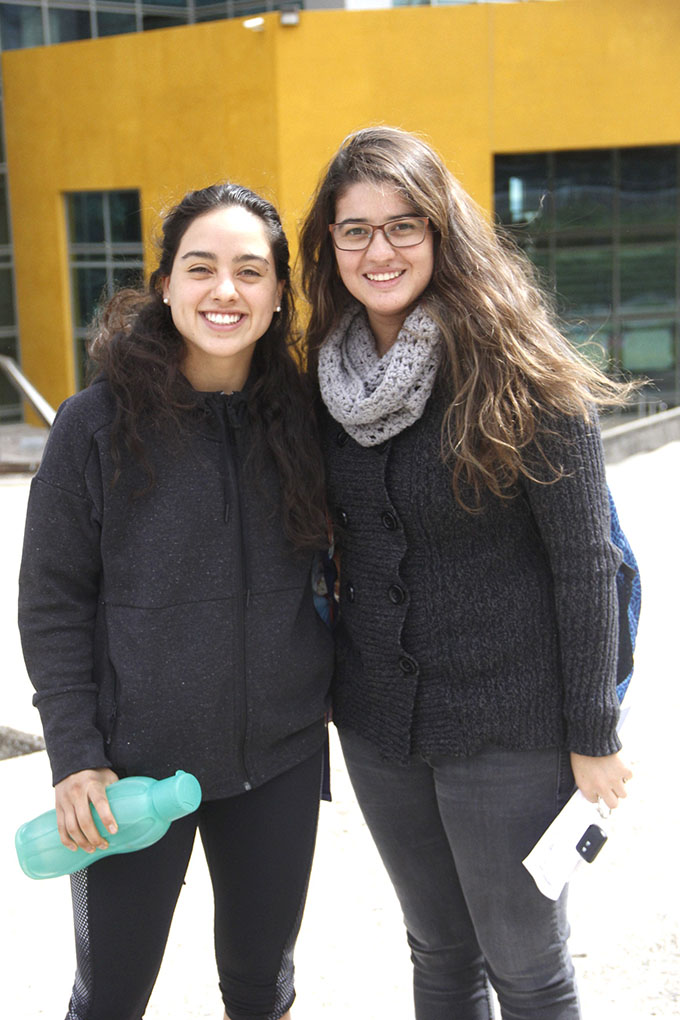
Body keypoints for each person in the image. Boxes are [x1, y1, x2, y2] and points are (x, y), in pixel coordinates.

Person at [299, 126, 635, 1020]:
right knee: (440, 955)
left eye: (405, 225)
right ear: (328, 248)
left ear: (444, 233)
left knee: (527, 968)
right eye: (356, 229)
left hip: (511, 728)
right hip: (380, 728)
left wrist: (593, 732)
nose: (381, 249)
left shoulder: (521, 370)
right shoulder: (321, 381)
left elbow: (584, 563)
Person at [18, 182, 333, 1020]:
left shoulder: (306, 418)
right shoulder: (92, 426)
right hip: (128, 766)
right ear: (164, 285)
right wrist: (76, 754)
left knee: (262, 988)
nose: (224, 291)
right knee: (112, 994)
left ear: (276, 295)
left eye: (249, 271)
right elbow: (51, 600)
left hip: (280, 757)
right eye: (201, 268)